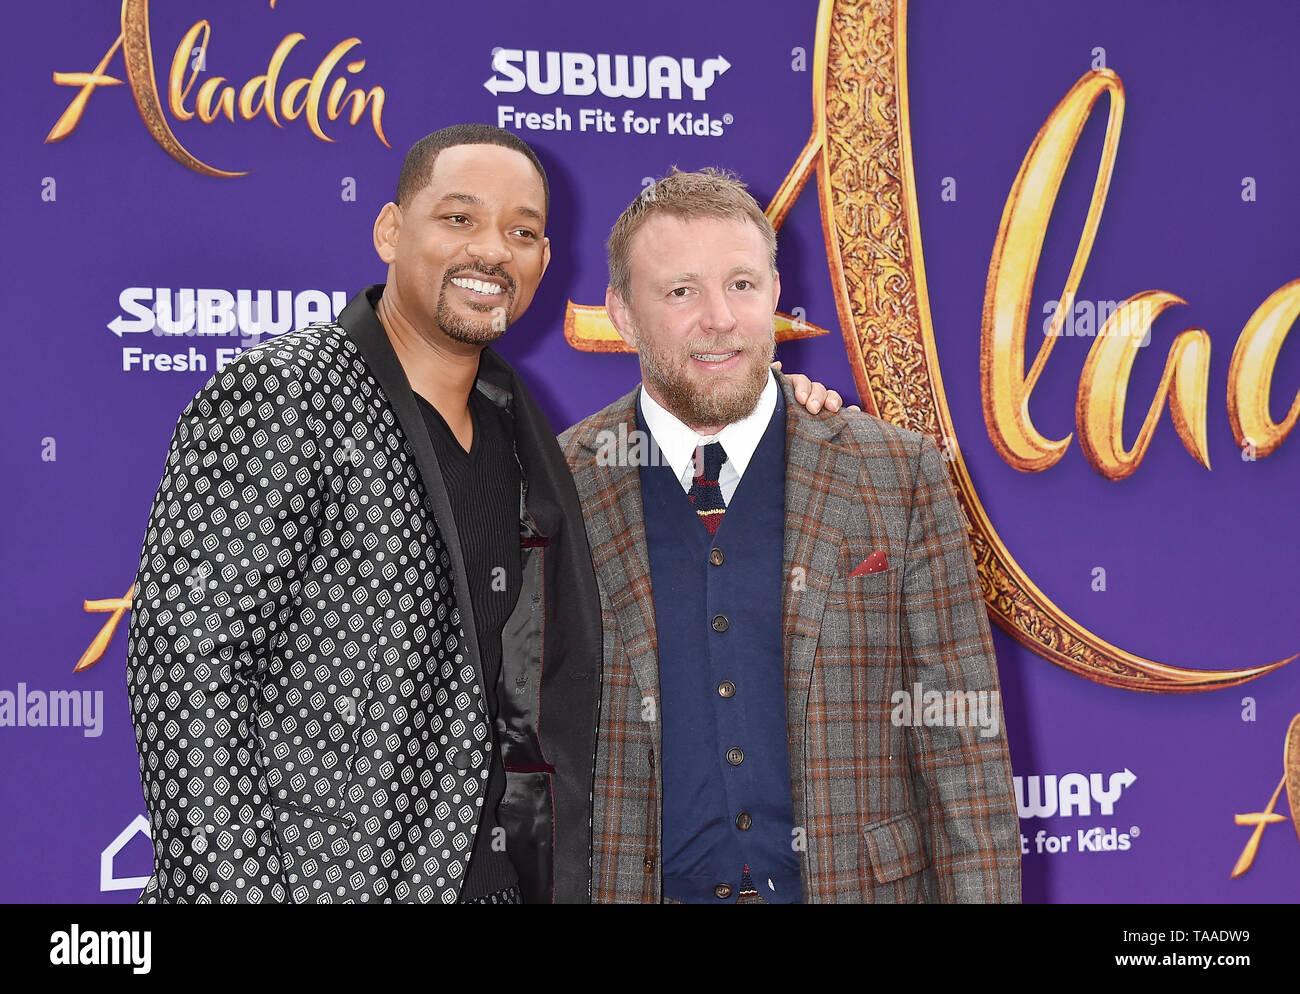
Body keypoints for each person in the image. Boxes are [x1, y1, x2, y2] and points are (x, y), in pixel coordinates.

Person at [126, 126, 845, 904]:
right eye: (459, 219)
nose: (493, 251)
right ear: (390, 231)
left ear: (542, 260)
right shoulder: (286, 393)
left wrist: (776, 411)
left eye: (523, 232)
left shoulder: (518, 436)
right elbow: (186, 674)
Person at [559, 168, 1021, 903]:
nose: (719, 318)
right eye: (681, 291)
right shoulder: (561, 484)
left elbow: (963, 746)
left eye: (742, 285)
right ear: (621, 313)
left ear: (776, 293)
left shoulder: (898, 470)